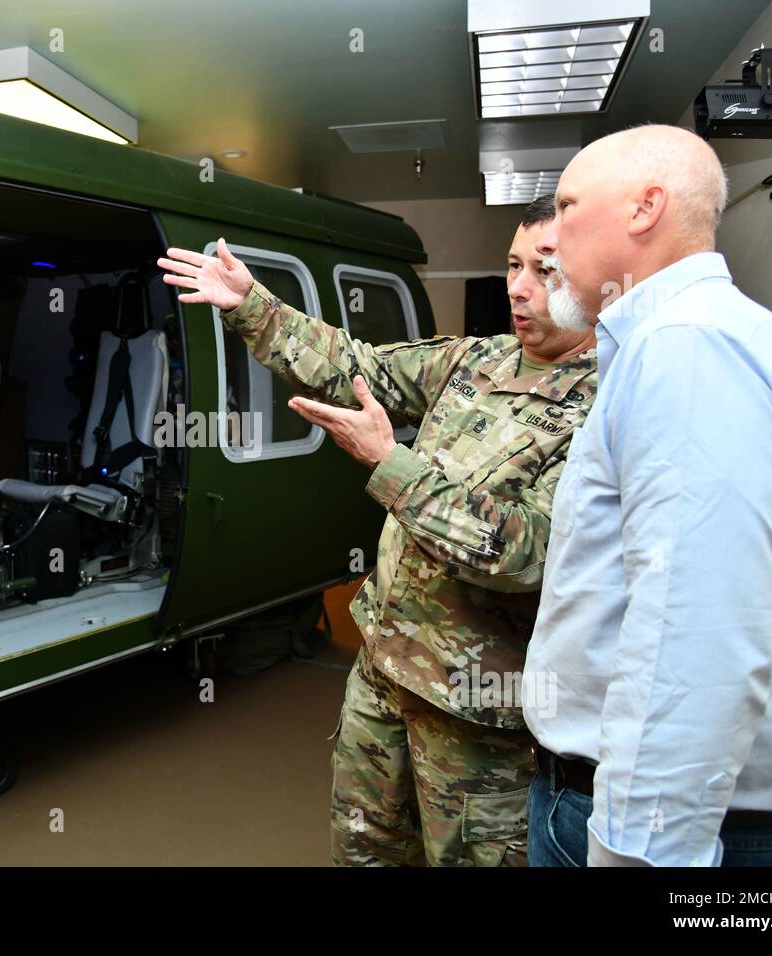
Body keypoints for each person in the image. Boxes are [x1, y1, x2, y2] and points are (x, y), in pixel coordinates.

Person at [158, 196, 597, 865]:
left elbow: (525, 554)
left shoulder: (606, 403)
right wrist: (252, 305)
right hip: (384, 672)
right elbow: (357, 367)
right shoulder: (477, 358)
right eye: (512, 266)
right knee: (366, 852)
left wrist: (389, 464)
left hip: (475, 714)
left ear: (594, 278)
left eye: (546, 271)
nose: (518, 287)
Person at [524, 123, 772, 867]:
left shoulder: (688, 348)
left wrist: (636, 853)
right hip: (652, 808)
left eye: (569, 205)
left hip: (661, 831)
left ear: (645, 209)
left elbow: (695, 629)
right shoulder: (682, 341)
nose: (550, 242)